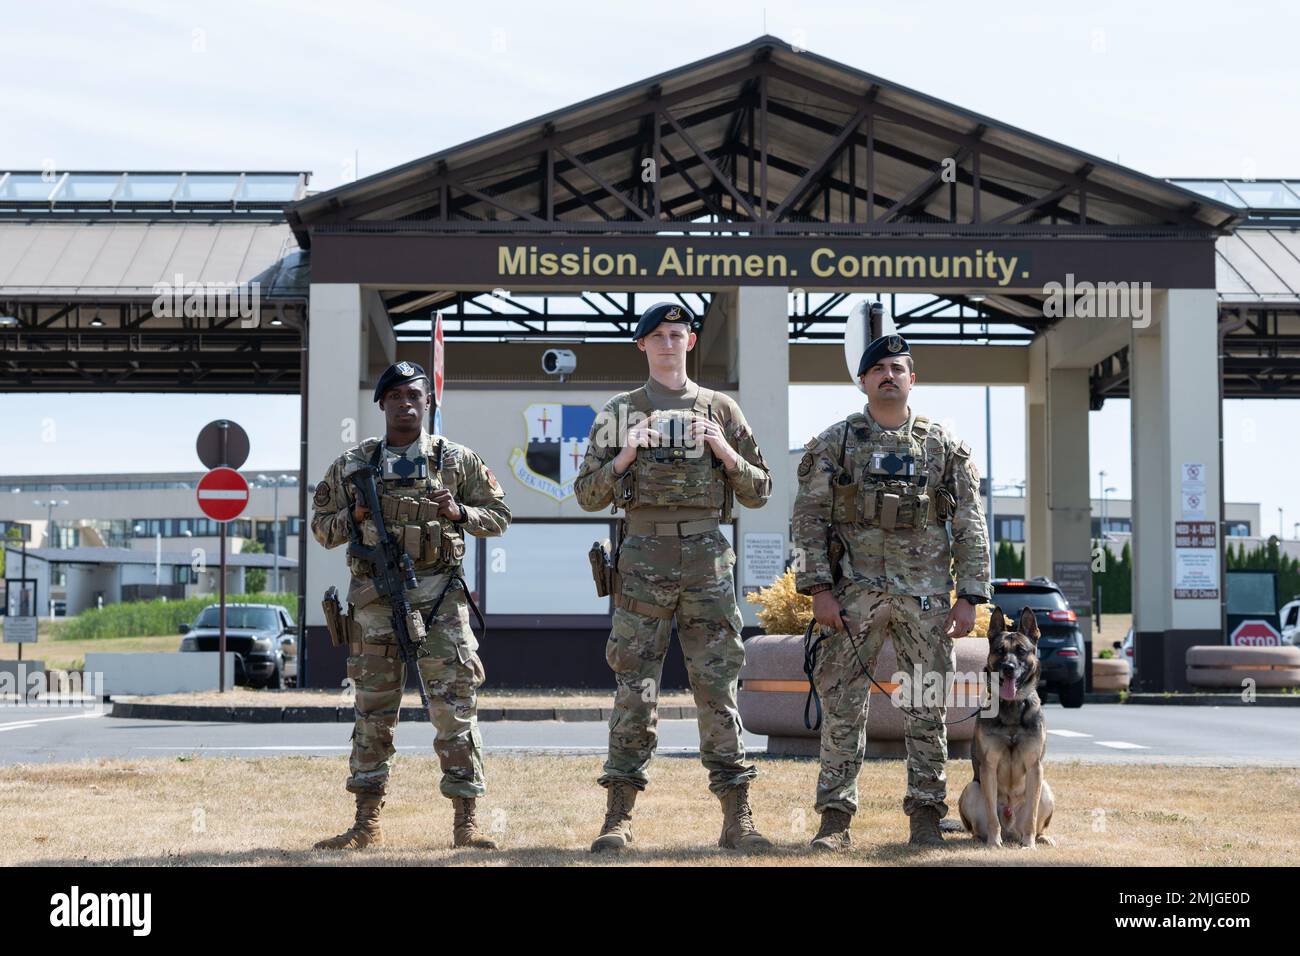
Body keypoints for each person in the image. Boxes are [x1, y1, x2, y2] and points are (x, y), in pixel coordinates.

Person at [574, 302, 773, 853]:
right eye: (657, 335)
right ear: (642, 346)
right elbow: (587, 494)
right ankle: (618, 818)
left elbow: (761, 490)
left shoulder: (721, 408)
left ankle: (738, 817)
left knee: (717, 690)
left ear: (690, 342)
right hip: (642, 560)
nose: (668, 343)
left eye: (677, 334)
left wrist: (724, 449)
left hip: (707, 559)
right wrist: (628, 451)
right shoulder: (621, 411)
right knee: (635, 690)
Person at [791, 332, 990, 851]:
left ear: (912, 379)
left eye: (898, 369)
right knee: (843, 709)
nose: (888, 376)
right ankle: (835, 822)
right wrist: (817, 590)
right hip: (853, 597)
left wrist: (970, 596)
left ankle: (926, 815)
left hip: (925, 601)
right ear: (862, 381)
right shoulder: (835, 442)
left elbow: (970, 521)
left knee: (926, 709)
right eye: (878, 369)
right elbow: (808, 519)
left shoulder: (942, 445)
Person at [310, 361, 510, 850]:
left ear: (428, 402)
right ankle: (366, 823)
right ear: (381, 403)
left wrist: (458, 511)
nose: (405, 403)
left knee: (454, 710)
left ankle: (467, 824)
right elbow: (320, 528)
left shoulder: (456, 460)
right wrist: (352, 518)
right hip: (376, 601)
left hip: (441, 599)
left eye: (414, 395)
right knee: (373, 710)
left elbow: (499, 516)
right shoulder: (354, 464)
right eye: (395, 395)